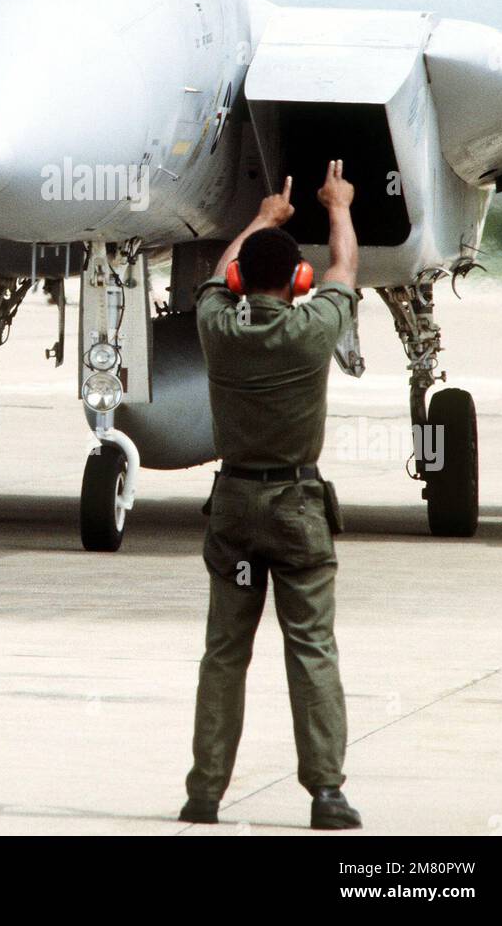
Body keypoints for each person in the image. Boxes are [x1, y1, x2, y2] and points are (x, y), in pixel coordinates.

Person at [180, 160, 362, 830]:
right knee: (311, 648)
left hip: (232, 506)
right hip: (295, 508)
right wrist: (336, 206)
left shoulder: (216, 327)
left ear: (237, 281)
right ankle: (327, 795)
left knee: (225, 652)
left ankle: (204, 794)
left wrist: (260, 218)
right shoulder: (313, 330)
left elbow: (214, 279)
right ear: (299, 281)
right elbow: (344, 269)